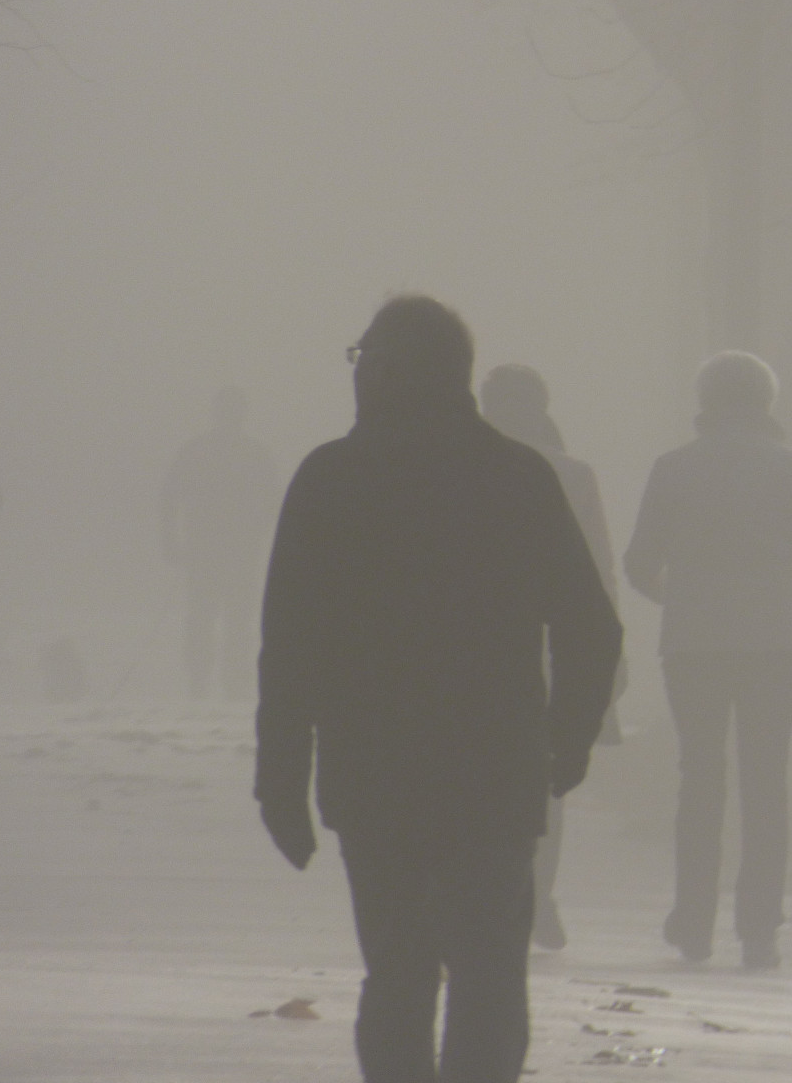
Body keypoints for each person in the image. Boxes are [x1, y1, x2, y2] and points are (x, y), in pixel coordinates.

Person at [256, 296, 622, 1083]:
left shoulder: (333, 478)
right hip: (495, 770)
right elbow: (591, 628)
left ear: (387, 372)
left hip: (374, 771)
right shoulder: (518, 476)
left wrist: (280, 778)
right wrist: (566, 740)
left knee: (397, 974)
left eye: (361, 361)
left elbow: (288, 647)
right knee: (491, 978)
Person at [623, 350, 792, 970]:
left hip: (694, 642)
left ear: (705, 400)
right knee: (765, 782)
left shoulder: (673, 468)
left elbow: (639, 561)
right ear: (766, 403)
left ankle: (693, 922)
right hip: (776, 641)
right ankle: (759, 930)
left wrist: (683, 595)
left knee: (700, 778)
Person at [478, 363, 627, 952]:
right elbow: (598, 571)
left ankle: (491, 895)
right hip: (552, 647)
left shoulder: (463, 468)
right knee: (547, 782)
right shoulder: (574, 474)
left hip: (478, 647)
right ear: (542, 407)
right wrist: (609, 654)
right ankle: (539, 897)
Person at [159, 386, 277, 701]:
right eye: (227, 410)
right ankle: (200, 685)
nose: (230, 416)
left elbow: (270, 504)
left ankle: (232, 688)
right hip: (206, 554)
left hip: (235, 554)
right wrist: (171, 541)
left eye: (234, 410)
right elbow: (169, 497)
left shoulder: (252, 454)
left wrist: (251, 532)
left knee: (234, 623)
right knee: (203, 620)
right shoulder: (197, 451)